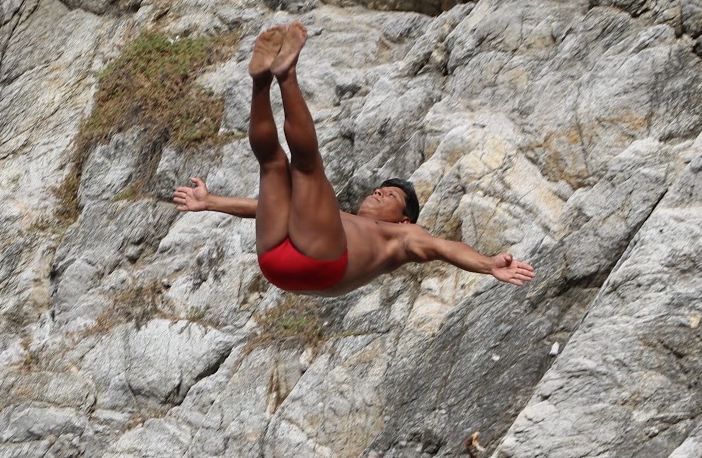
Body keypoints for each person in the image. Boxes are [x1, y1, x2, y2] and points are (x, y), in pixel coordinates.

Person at [173, 23, 535, 295]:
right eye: (380, 190)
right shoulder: (338, 218)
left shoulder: (403, 238)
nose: (379, 193)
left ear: (406, 218)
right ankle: (260, 83)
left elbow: (445, 248)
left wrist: (489, 265)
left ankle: (287, 77)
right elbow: (261, 207)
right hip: (274, 259)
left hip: (322, 263)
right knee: (272, 164)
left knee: (306, 166)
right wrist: (210, 202)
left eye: (391, 196)